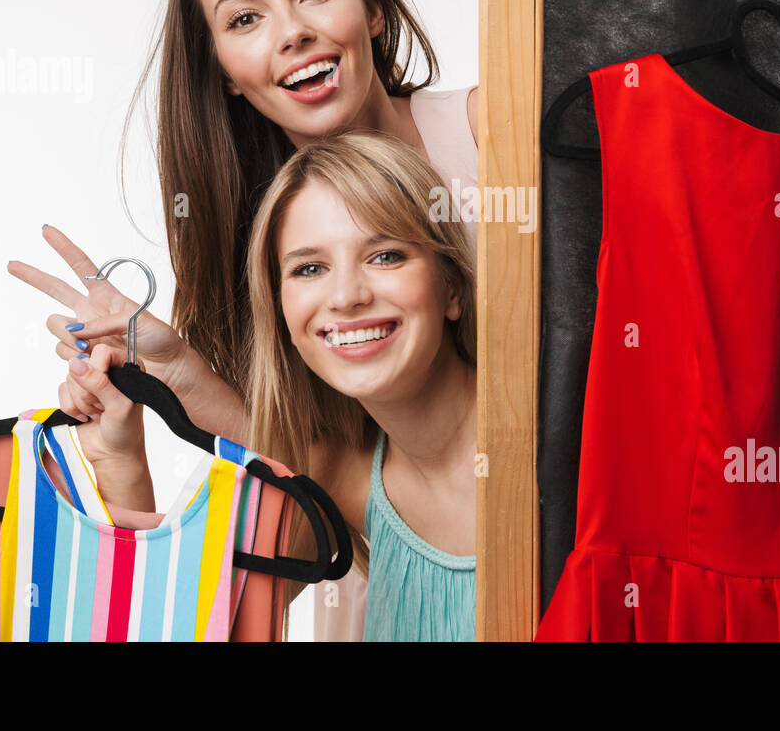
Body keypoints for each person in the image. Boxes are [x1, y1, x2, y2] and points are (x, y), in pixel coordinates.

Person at [8, 0, 750, 638]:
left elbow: (684, 150)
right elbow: (298, 473)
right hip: (387, 580)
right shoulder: (273, 259)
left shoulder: (510, 128)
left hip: (573, 557)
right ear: (224, 74)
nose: (291, 31)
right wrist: (175, 384)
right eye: (244, 19)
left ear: (373, 11)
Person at [61, 131, 478, 640]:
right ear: (280, 309)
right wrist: (121, 455)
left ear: (451, 287)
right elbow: (177, 629)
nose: (346, 296)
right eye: (309, 268)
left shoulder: (559, 440)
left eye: (385, 255)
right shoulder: (341, 480)